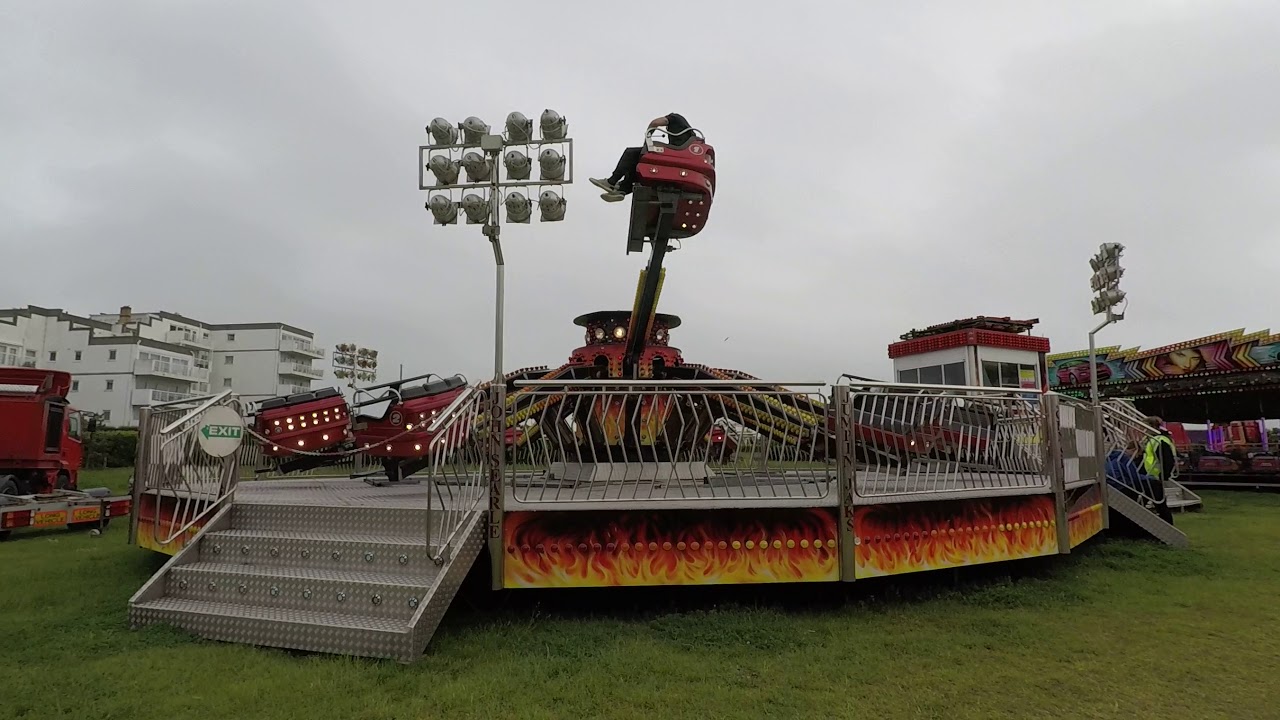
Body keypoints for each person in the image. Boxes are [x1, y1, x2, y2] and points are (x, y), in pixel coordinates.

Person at [590, 113, 693, 202]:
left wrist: (648, 137)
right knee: (640, 162)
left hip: (674, 153)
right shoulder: (689, 136)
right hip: (677, 157)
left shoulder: (675, 117)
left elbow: (655, 123)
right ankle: (622, 190)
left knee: (631, 153)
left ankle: (611, 182)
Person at [1141, 416, 1178, 524]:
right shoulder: (1155, 440)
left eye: (1145, 426)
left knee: (1160, 504)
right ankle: (1166, 524)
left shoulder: (1159, 440)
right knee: (1158, 503)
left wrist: (1164, 475)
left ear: (1151, 426)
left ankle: (1167, 525)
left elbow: (1167, 460)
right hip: (1151, 476)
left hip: (1155, 477)